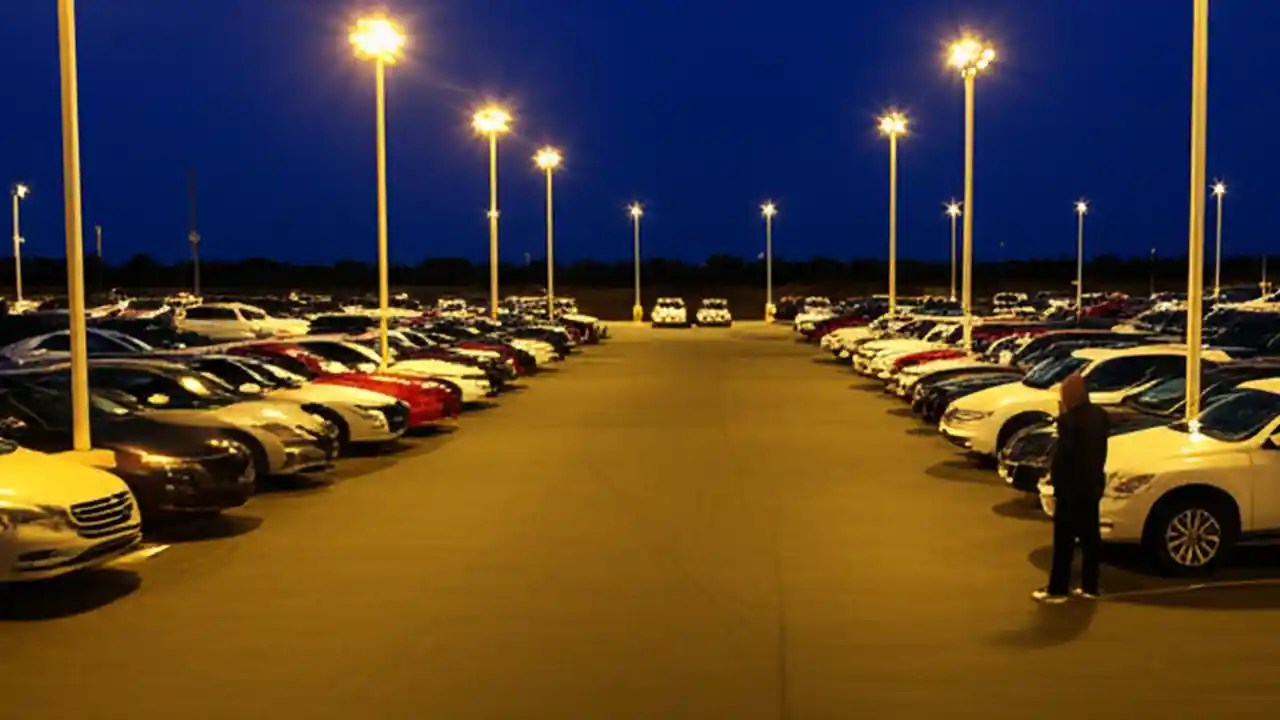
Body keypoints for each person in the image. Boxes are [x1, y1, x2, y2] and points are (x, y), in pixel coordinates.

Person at [1033, 372, 1109, 604]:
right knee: (1090, 538)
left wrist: (1054, 481)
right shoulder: (1100, 415)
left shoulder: (1069, 421)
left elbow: (1064, 456)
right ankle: (1090, 585)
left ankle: (1058, 589)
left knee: (1064, 540)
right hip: (1092, 483)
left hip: (1071, 487)